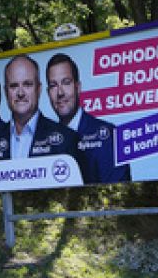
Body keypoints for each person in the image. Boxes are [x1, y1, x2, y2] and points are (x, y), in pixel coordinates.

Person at [47, 53, 125, 184]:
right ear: (48, 92)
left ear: (78, 87)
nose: (60, 93)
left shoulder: (110, 135)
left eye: (66, 83)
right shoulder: (46, 140)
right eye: (53, 85)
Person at [0, 55, 77, 162]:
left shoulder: (67, 138)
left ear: (39, 89)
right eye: (14, 86)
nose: (20, 93)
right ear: (6, 92)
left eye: (27, 84)